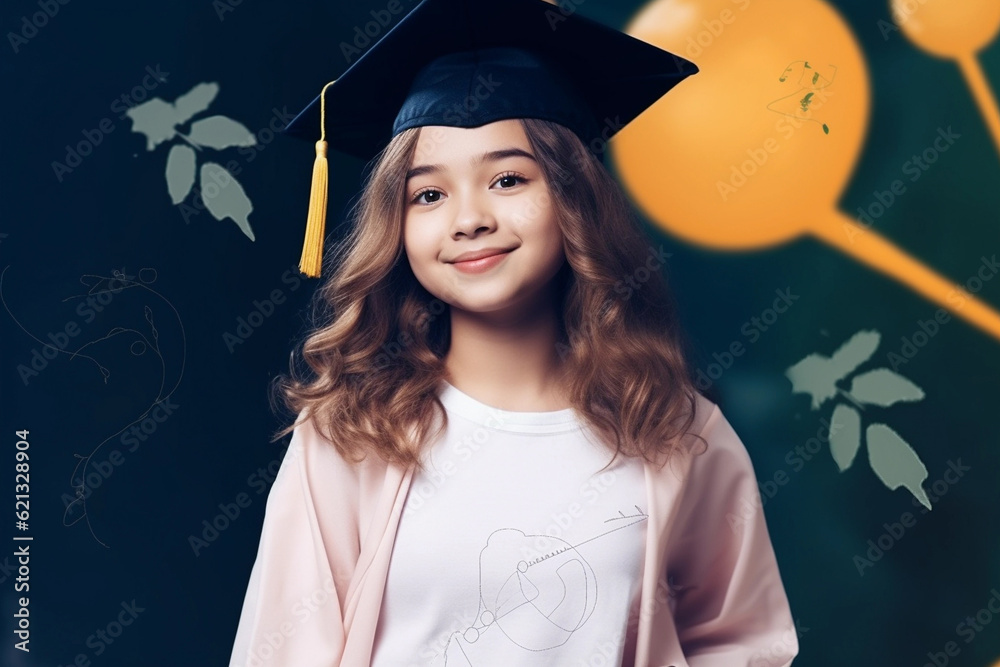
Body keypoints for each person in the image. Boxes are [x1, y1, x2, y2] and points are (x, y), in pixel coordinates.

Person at [229, 0, 799, 665]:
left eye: (507, 179)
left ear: (573, 198)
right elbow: (283, 649)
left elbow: (742, 641)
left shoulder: (675, 432)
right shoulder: (352, 432)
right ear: (399, 226)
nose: (468, 219)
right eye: (429, 194)